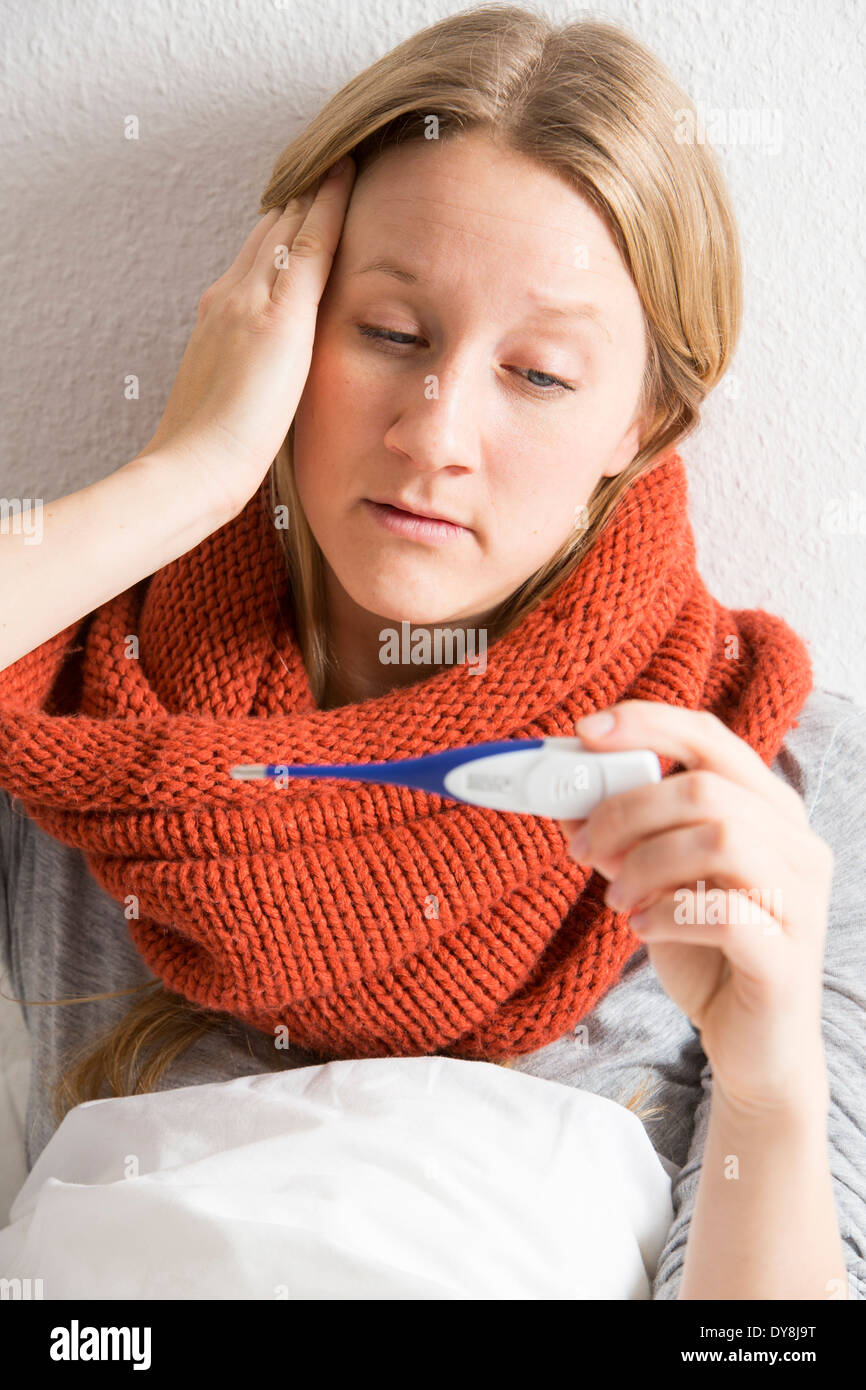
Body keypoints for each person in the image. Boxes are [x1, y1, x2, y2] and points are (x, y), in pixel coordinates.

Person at [0, 5, 863, 1300]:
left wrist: (770, 1084)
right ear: (276, 318)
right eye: (390, 333)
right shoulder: (70, 713)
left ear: (645, 420)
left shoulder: (775, 793)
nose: (433, 431)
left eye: (540, 375)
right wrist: (190, 472)